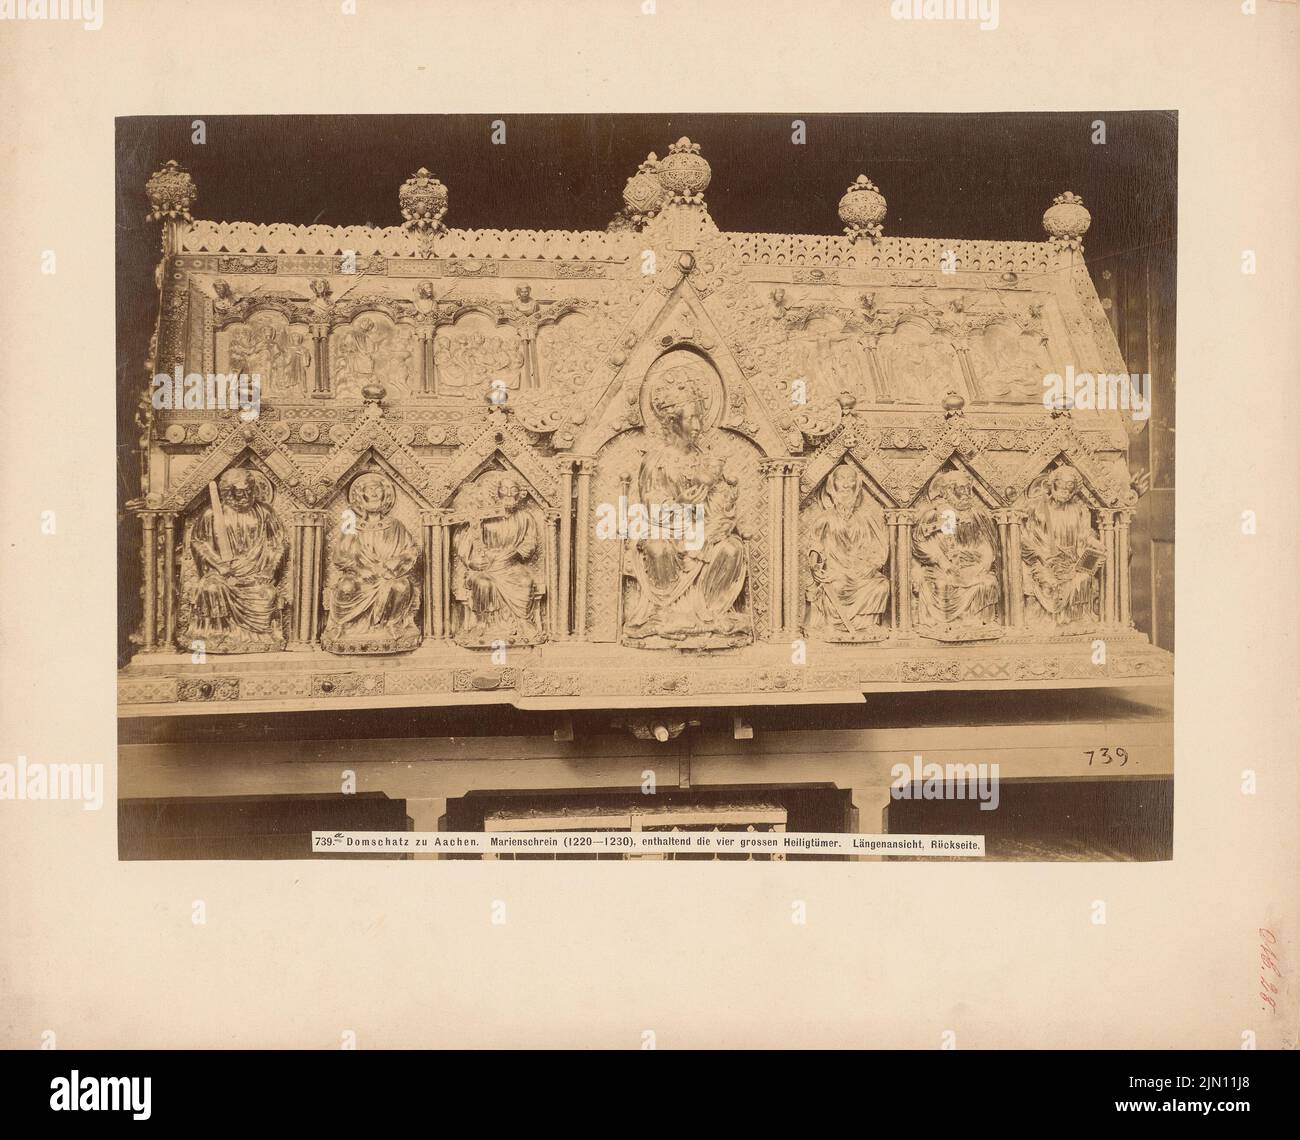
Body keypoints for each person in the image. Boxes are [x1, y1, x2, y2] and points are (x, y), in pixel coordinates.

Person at [189, 468, 288, 652]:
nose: (245, 495)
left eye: (249, 491)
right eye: (239, 492)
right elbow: (199, 542)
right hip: (222, 575)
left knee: (266, 594)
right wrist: (218, 565)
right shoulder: (212, 514)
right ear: (228, 491)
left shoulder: (264, 512)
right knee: (212, 588)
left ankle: (259, 637)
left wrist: (269, 569)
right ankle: (217, 634)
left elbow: (278, 542)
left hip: (255, 575)